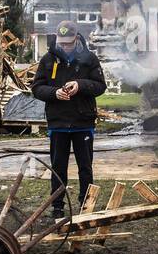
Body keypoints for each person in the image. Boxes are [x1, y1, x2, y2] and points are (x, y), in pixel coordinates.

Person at [31, 21, 106, 219]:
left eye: (69, 43)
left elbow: (100, 86)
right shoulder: (48, 60)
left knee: (85, 167)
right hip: (58, 123)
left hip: (83, 122)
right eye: (62, 43)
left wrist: (80, 85)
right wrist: (55, 92)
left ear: (76, 38)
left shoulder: (90, 59)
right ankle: (57, 206)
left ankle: (86, 204)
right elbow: (37, 88)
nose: (65, 46)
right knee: (58, 168)